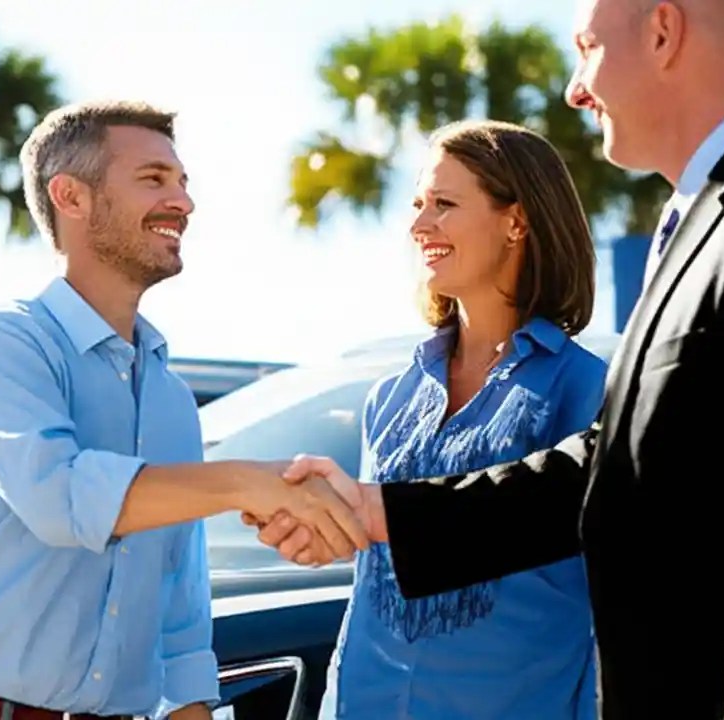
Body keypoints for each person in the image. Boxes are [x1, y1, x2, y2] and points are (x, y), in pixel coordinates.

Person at [264, 1, 724, 718]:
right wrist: (379, 512)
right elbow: (610, 471)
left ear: (662, 31)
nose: (575, 90)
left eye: (587, 49)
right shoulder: (716, 219)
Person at [0, 100, 367, 720]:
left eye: (182, 183)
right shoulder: (2, 344)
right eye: (154, 179)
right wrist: (249, 481)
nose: (183, 203)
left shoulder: (168, 396)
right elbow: (63, 496)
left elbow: (180, 615)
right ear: (70, 197)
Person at [256, 119, 608, 719]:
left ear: (516, 221)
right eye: (418, 204)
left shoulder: (588, 389)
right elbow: (367, 584)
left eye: (443, 204)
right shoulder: (388, 398)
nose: (419, 225)